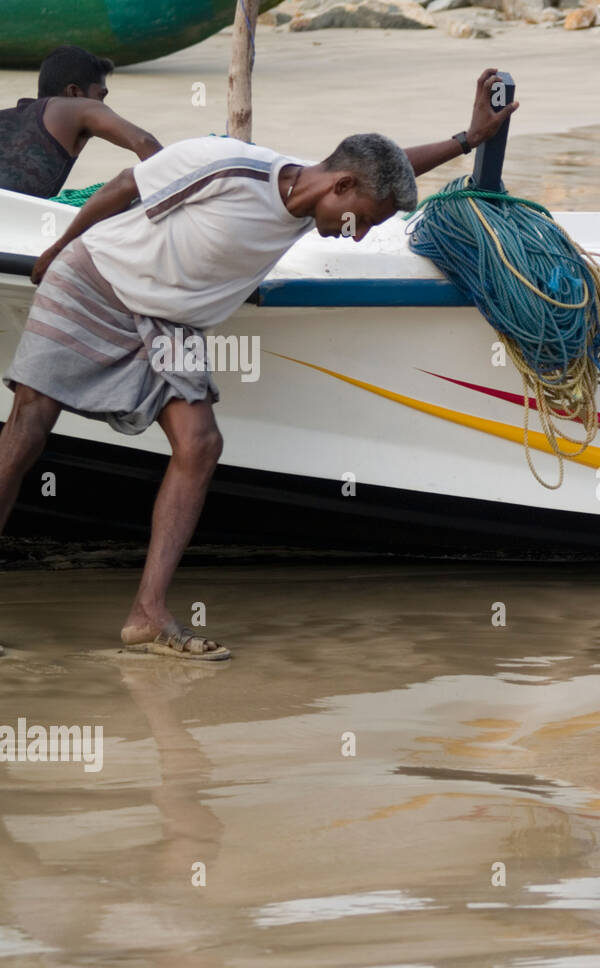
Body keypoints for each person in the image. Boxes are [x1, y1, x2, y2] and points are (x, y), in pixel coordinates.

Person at [0, 69, 519, 661]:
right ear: (341, 185)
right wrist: (57, 248)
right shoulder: (229, 167)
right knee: (26, 434)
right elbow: (125, 184)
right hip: (95, 281)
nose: (358, 236)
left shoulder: (321, 195)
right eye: (364, 220)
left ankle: (148, 616)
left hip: (171, 324)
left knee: (200, 444)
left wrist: (468, 140)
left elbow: (390, 162)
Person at [0, 45, 162, 199]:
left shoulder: (9, 117)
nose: (102, 106)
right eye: (101, 95)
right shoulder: (76, 108)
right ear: (74, 92)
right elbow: (144, 141)